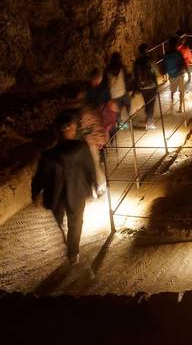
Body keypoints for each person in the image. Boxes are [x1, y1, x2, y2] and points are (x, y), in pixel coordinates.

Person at [31, 110, 98, 264]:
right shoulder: (81, 148)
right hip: (76, 192)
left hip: (56, 195)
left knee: (59, 219)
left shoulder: (48, 155)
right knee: (75, 222)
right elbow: (90, 168)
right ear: (73, 128)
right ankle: (73, 253)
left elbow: (40, 177)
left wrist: (35, 194)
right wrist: (94, 185)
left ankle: (61, 232)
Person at [133, 43, 158, 127]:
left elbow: (134, 75)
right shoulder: (149, 59)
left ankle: (148, 119)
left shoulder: (137, 61)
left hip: (142, 86)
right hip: (151, 84)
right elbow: (154, 71)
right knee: (151, 103)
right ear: (146, 50)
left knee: (147, 103)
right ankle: (150, 123)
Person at [160, 36, 186, 112]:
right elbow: (183, 63)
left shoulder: (166, 54)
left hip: (172, 75)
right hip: (180, 74)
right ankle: (181, 107)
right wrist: (186, 69)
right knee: (181, 91)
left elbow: (164, 64)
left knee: (172, 91)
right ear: (176, 44)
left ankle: (172, 105)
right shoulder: (178, 53)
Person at [106, 51, 131, 123]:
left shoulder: (107, 69)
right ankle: (128, 120)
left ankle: (119, 124)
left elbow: (106, 82)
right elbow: (126, 80)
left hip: (113, 94)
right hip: (122, 92)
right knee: (128, 105)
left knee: (117, 110)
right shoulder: (122, 68)